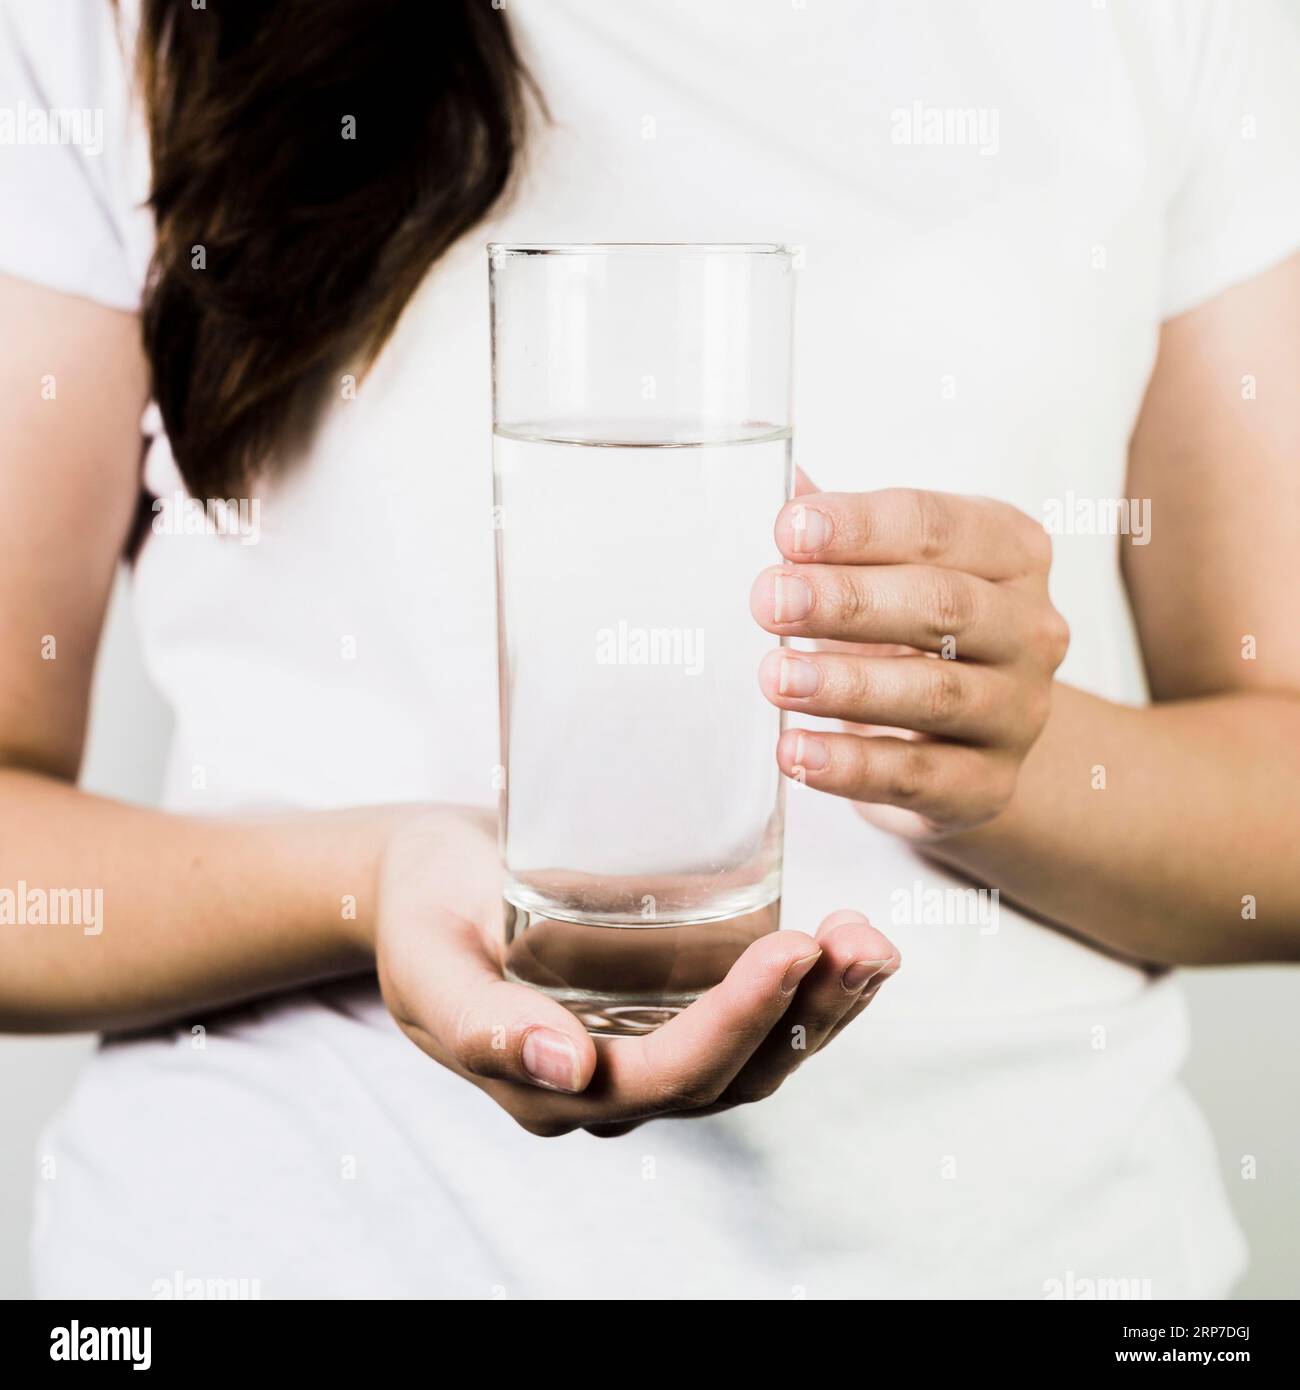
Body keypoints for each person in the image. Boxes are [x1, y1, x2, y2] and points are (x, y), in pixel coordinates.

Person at [1, 0, 1297, 1299]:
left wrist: (1016, 758)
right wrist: (365, 880)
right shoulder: (108, 23)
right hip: (272, 1255)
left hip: (1036, 1261)